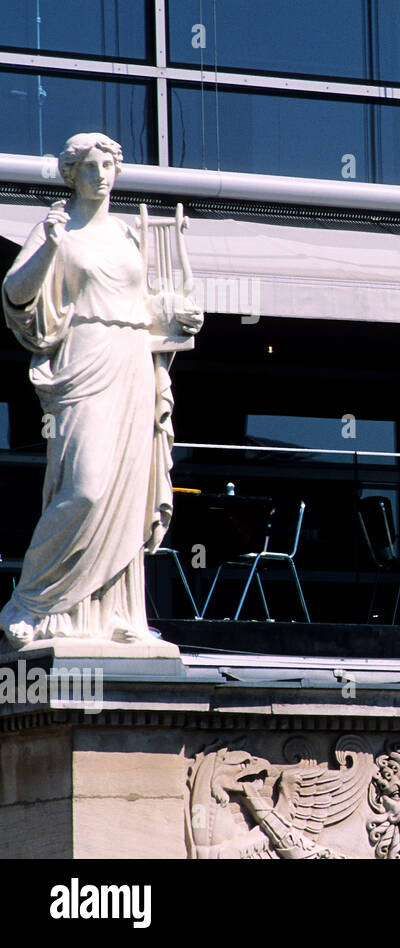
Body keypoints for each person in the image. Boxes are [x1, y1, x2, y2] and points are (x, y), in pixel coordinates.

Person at [0, 132, 202, 646]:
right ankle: (32, 600)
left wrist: (177, 315)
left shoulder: (129, 235)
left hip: (134, 361)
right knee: (87, 488)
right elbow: (17, 299)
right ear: (72, 173)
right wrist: (47, 247)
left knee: (126, 494)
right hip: (84, 361)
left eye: (108, 165)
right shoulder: (58, 231)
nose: (101, 175)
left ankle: (117, 616)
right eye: (90, 166)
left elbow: (144, 306)